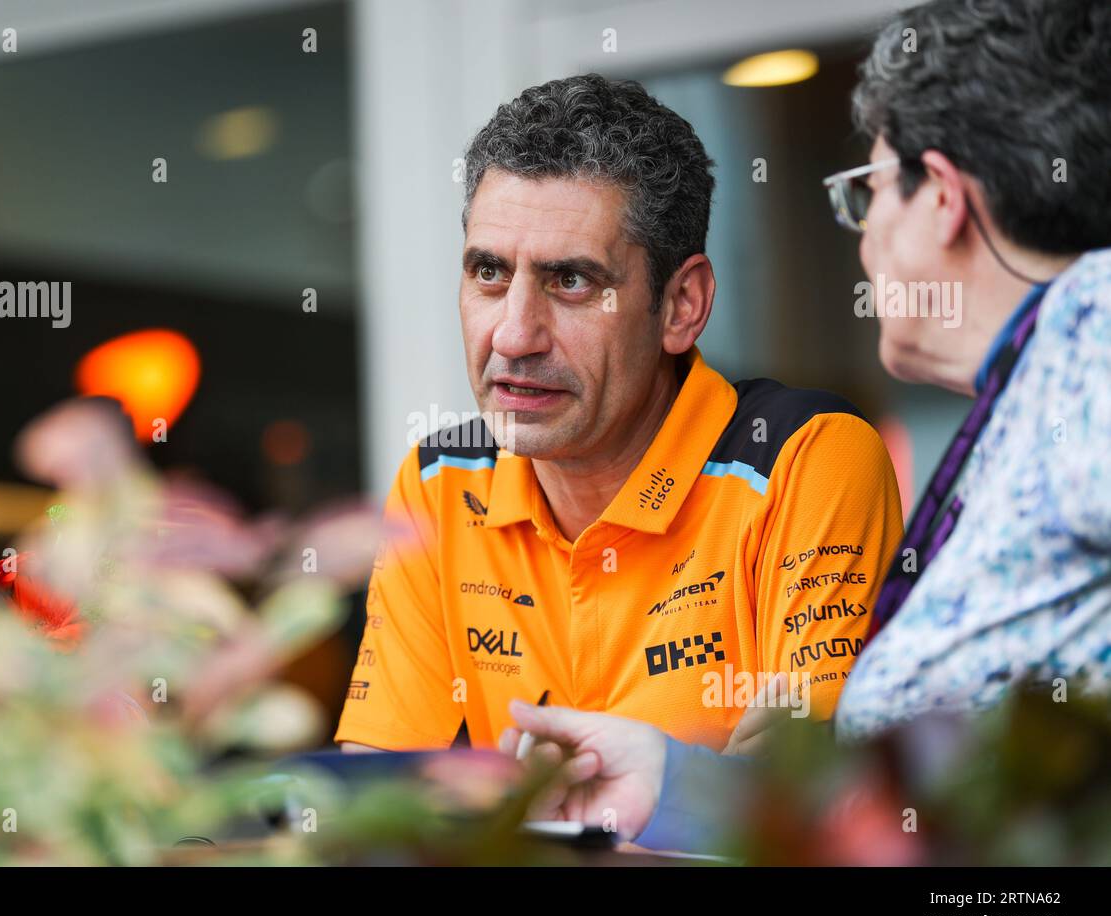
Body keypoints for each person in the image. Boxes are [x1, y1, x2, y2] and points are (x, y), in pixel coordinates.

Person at [499, 0, 1111, 849]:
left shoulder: (1095, 327)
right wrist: (668, 779)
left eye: (868, 194)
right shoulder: (1038, 378)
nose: (863, 243)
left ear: (940, 197)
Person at [336, 74, 903, 756]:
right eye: (489, 273)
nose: (514, 336)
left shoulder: (805, 458)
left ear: (682, 305)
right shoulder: (440, 484)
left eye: (571, 282)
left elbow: (801, 788)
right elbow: (387, 791)